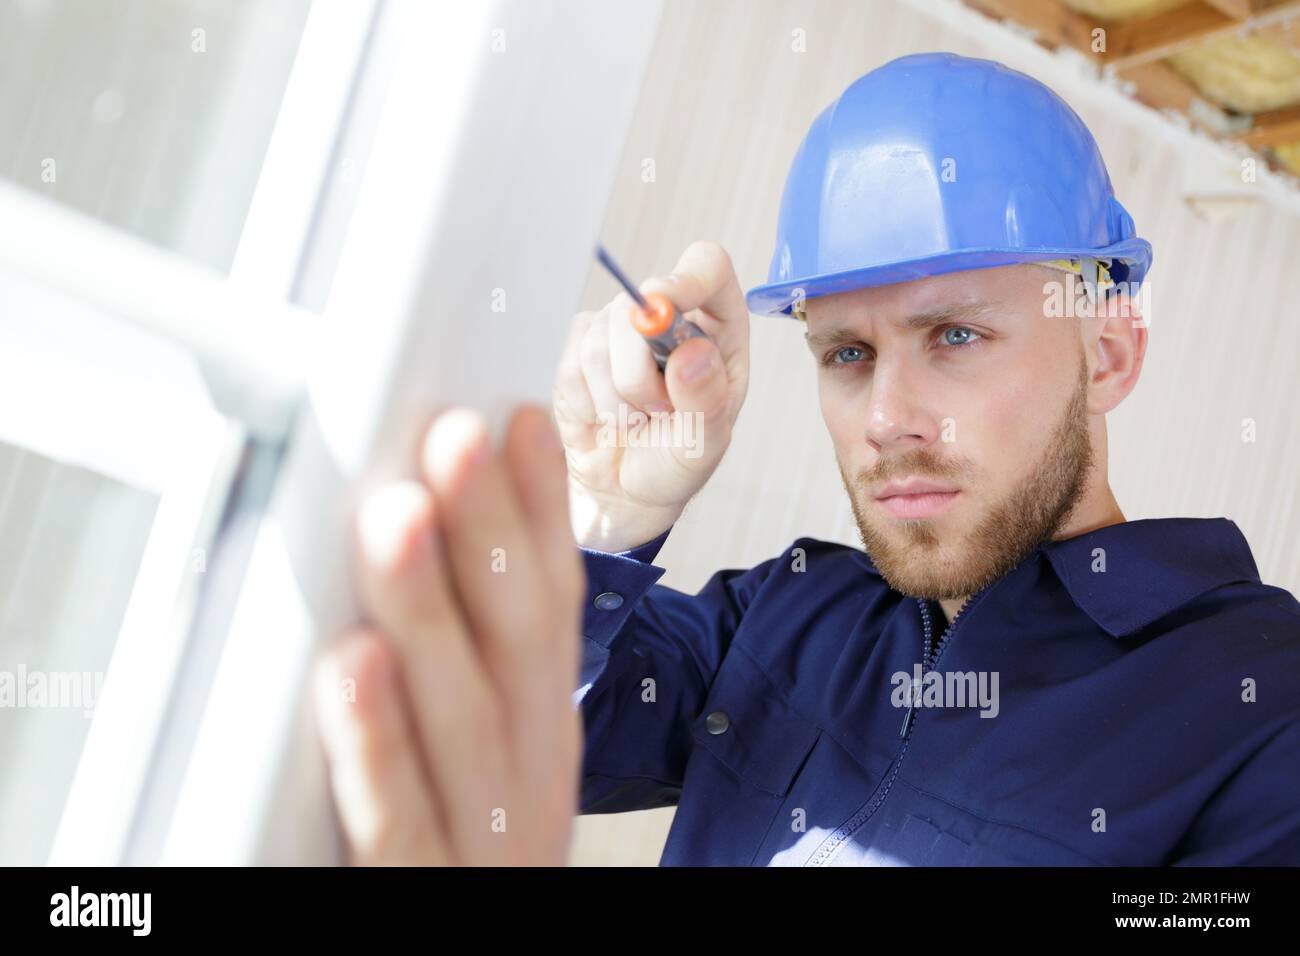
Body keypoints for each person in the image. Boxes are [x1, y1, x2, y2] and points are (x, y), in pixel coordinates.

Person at [313, 53, 1300, 865]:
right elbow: (528, 747)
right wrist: (609, 516)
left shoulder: (1258, 711)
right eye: (846, 354)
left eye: (954, 335)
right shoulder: (787, 616)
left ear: (1110, 353)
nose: (886, 415)